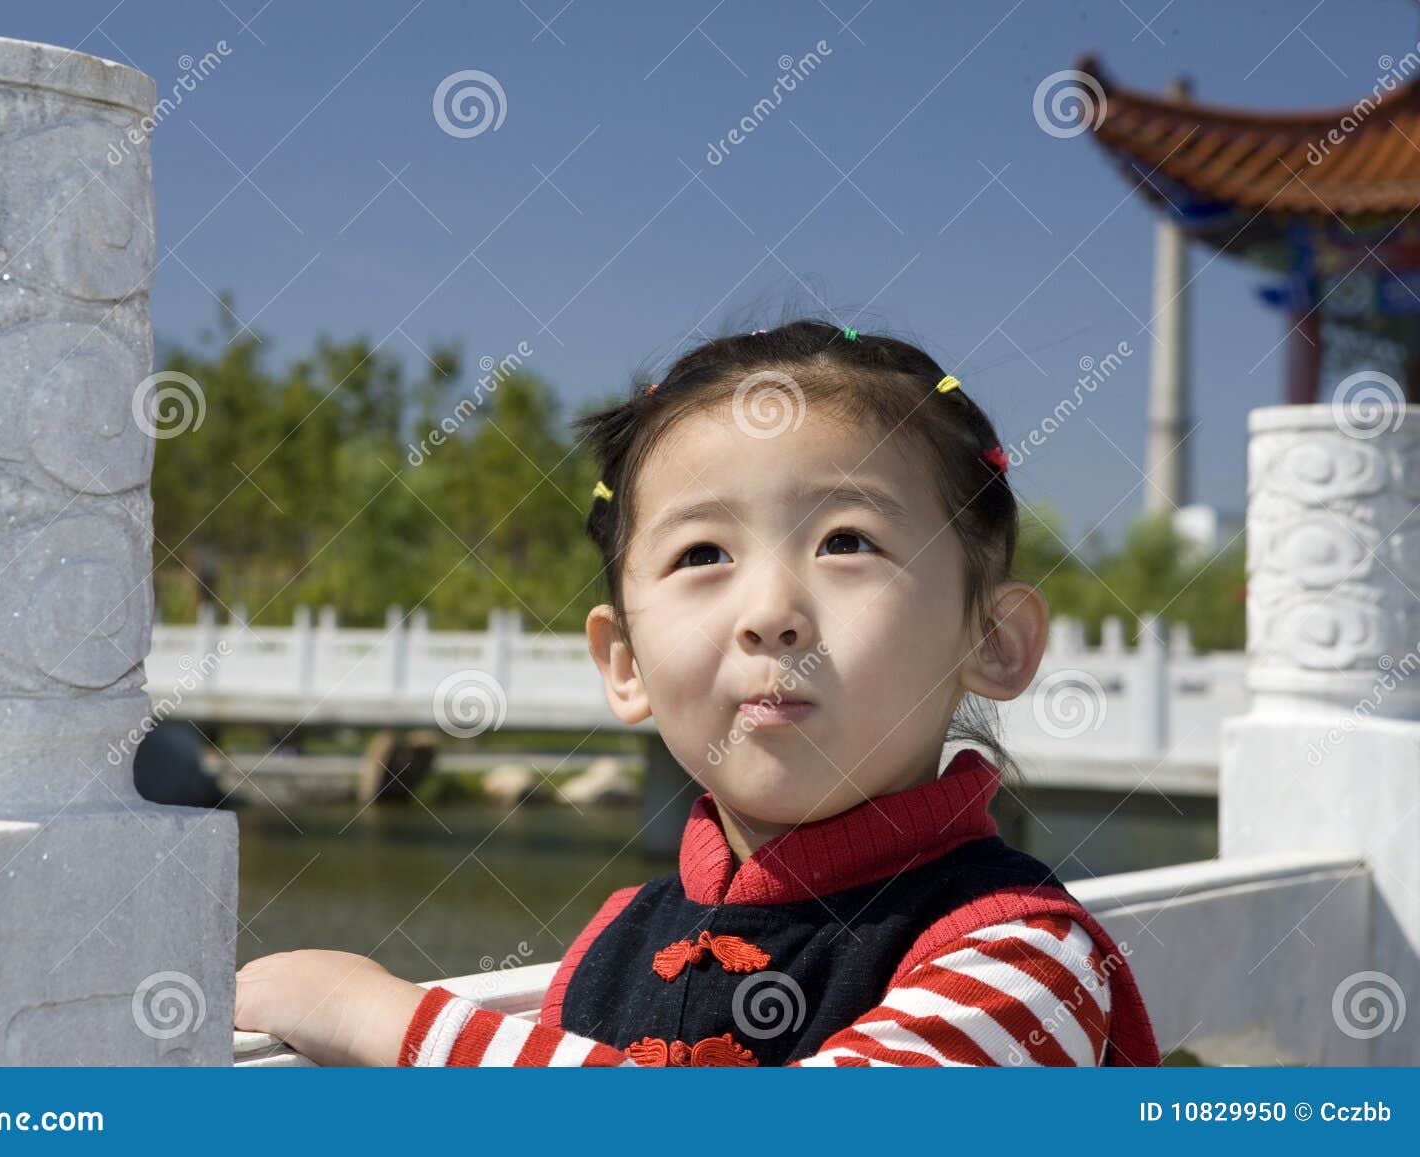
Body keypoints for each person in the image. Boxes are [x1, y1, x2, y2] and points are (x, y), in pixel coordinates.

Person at [233, 318, 1163, 1067]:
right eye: (702, 554)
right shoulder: (618, 939)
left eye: (846, 541)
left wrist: (390, 1023)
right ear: (626, 664)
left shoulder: (1018, 961)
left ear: (993, 641)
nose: (769, 613)